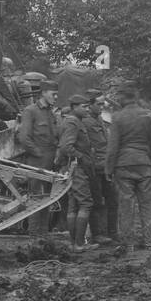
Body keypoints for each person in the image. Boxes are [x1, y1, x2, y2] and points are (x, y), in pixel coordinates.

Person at [105, 85, 151, 252]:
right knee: (147, 204)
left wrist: (109, 169)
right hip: (145, 165)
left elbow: (113, 147)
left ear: (123, 98)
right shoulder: (149, 116)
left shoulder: (117, 118)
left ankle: (128, 244)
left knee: (126, 205)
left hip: (123, 166)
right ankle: (149, 241)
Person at [17, 81, 60, 235]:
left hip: (51, 160)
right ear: (43, 93)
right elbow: (24, 138)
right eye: (53, 94)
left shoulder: (51, 113)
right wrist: (38, 154)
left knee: (47, 198)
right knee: (36, 197)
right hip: (37, 161)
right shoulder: (30, 111)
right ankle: (34, 235)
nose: (56, 97)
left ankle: (43, 234)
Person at [56, 95, 95, 251]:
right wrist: (82, 157)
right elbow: (66, 147)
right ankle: (79, 243)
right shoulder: (72, 122)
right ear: (74, 107)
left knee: (73, 205)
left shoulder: (73, 121)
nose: (87, 109)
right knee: (85, 203)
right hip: (76, 168)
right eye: (84, 106)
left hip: (71, 167)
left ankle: (74, 243)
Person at [82, 89, 114, 244]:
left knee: (112, 200)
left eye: (103, 104)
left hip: (105, 165)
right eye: (99, 104)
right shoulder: (86, 121)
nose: (102, 107)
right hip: (95, 167)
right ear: (90, 105)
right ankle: (98, 234)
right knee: (96, 201)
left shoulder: (99, 118)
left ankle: (111, 232)